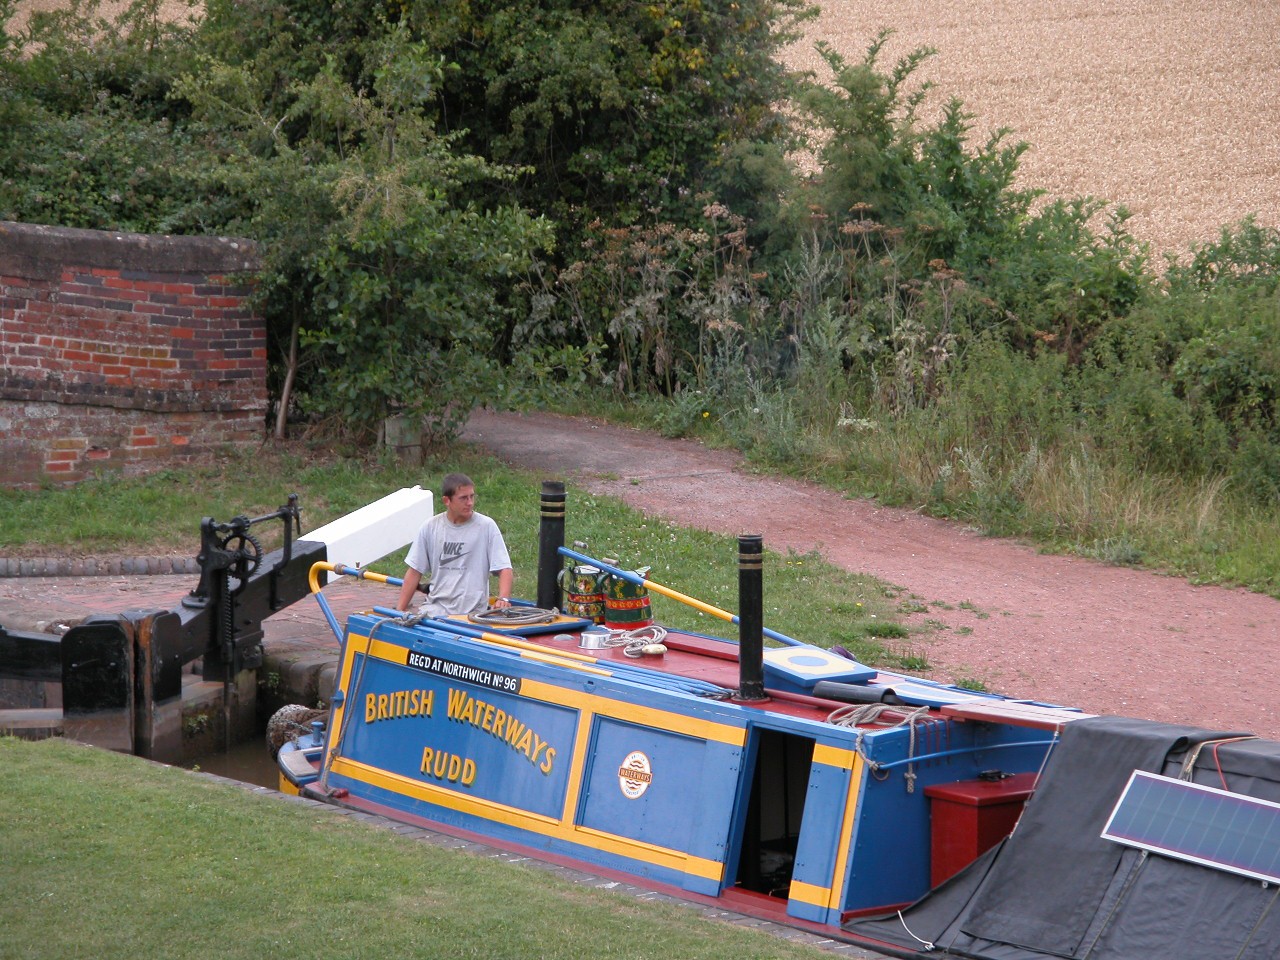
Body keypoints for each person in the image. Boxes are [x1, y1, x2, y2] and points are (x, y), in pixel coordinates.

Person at [396, 473, 513, 616]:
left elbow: (504, 568)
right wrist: (399, 612)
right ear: (447, 500)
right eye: (463, 498)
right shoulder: (430, 527)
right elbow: (414, 571)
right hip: (434, 609)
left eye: (472, 497)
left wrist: (503, 599)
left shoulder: (486, 526)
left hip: (473, 613)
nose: (470, 503)